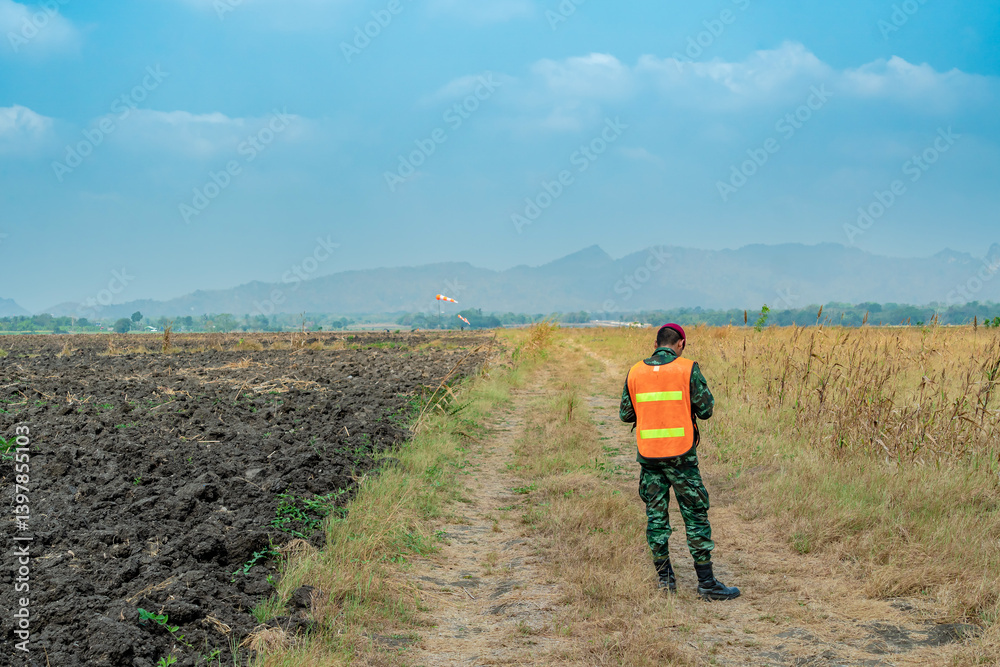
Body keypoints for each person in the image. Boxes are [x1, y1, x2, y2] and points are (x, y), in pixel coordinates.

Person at [619, 323, 740, 601]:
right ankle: (706, 583)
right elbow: (707, 409)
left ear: (655, 342)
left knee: (656, 518)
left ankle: (665, 581)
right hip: (681, 457)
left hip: (649, 457)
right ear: (681, 343)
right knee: (695, 516)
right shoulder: (687, 369)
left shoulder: (635, 371)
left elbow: (626, 414)